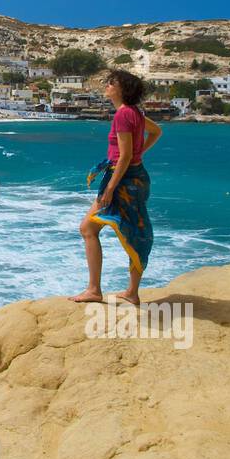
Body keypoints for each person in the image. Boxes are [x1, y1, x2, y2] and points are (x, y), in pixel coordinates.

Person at [71, 69, 162, 307]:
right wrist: (138, 154)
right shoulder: (136, 113)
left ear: (123, 89)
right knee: (137, 231)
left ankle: (94, 290)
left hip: (122, 179)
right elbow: (156, 132)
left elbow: (124, 156)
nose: (107, 85)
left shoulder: (123, 115)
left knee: (88, 228)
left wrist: (110, 188)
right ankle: (132, 292)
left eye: (112, 83)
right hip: (138, 177)